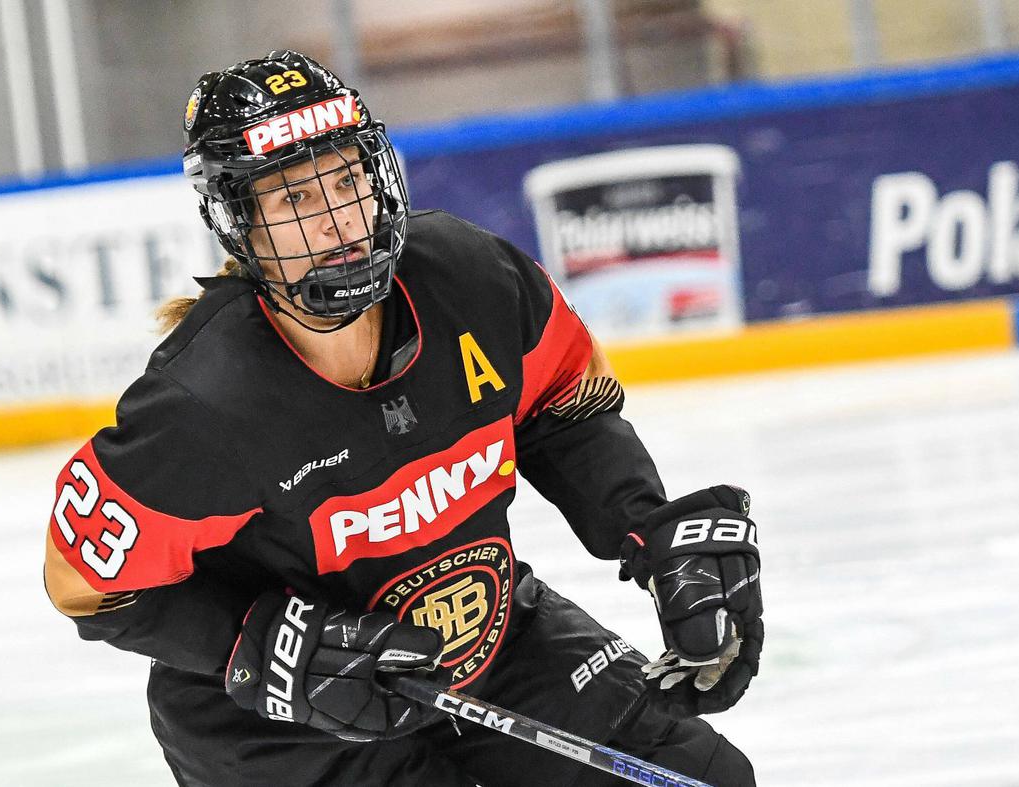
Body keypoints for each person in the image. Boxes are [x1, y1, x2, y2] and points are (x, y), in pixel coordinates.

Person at [43, 50, 763, 786]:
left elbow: (563, 405)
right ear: (240, 222)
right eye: (295, 199)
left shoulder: (472, 276)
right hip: (281, 728)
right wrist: (257, 644)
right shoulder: (203, 399)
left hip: (483, 638)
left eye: (348, 178)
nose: (338, 221)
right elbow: (82, 579)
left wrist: (646, 526)